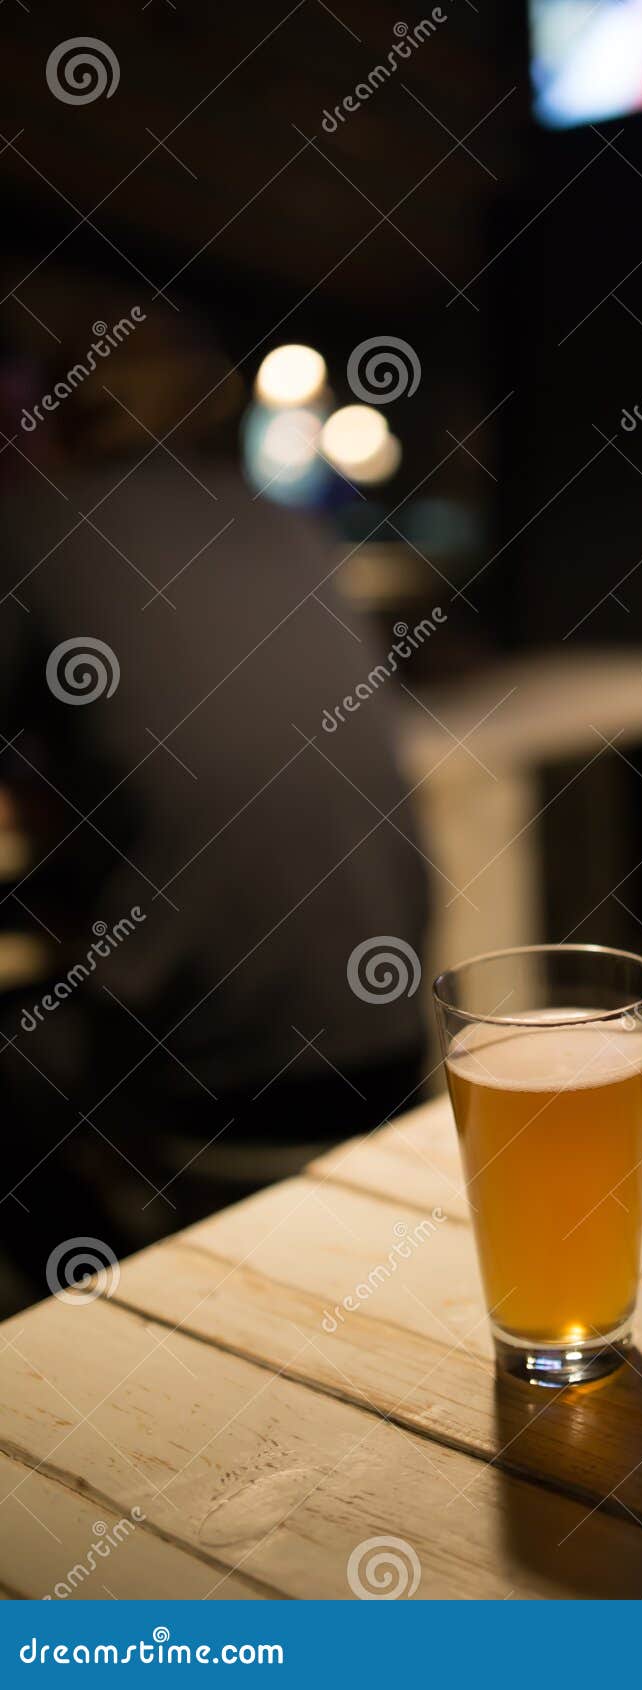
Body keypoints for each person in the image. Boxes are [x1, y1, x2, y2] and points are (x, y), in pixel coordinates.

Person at [0, 304, 428, 1289]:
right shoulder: (288, 524)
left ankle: (98, 1317)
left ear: (56, 414)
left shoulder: (33, 523)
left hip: (219, 1075)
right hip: (395, 1041)